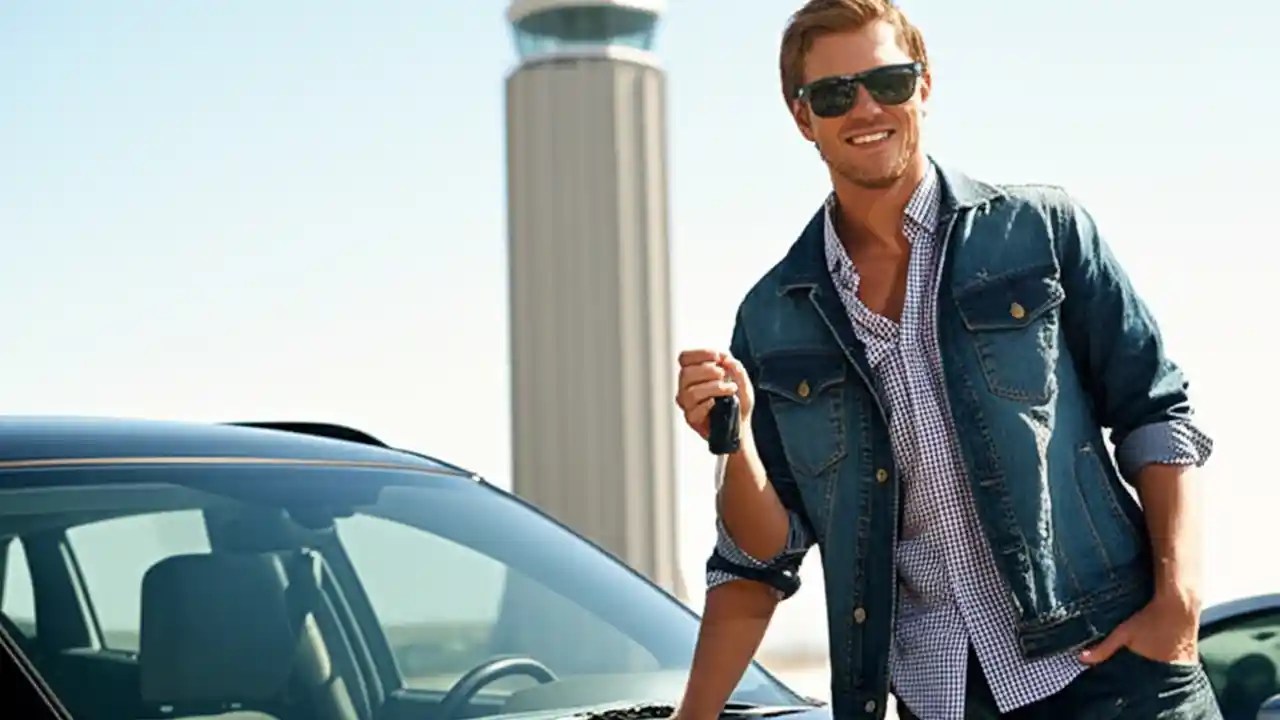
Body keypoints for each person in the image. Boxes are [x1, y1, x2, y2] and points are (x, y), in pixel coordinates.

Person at [670, 1, 1220, 718]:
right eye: (835, 94)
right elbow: (759, 558)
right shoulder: (774, 316)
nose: (866, 108)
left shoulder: (1042, 232)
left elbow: (1157, 414)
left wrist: (1179, 603)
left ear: (923, 86)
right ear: (802, 117)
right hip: (948, 699)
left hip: (1117, 672)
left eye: (888, 81)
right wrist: (736, 444)